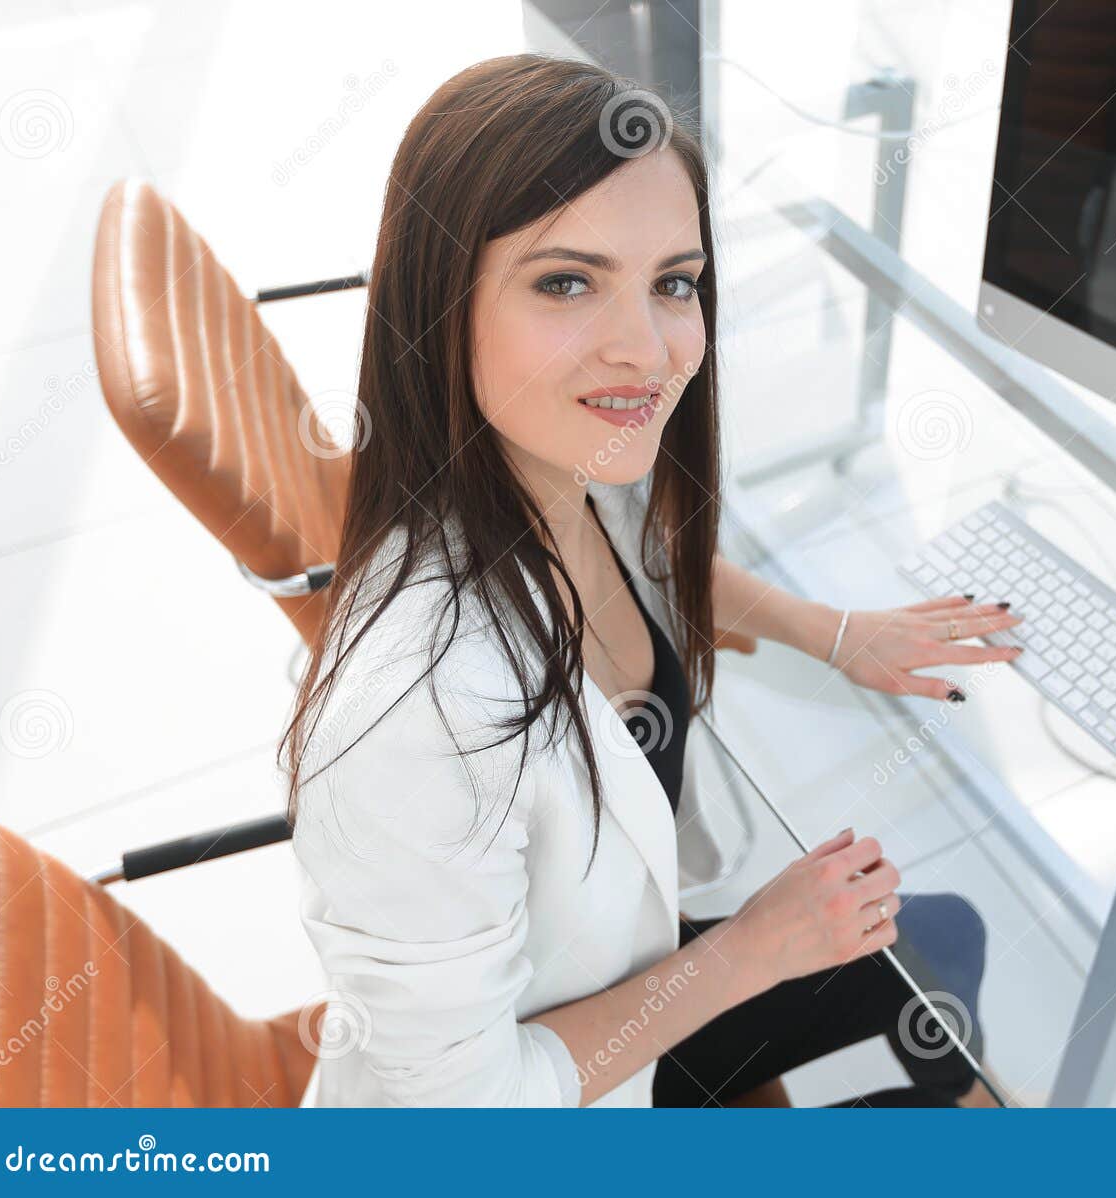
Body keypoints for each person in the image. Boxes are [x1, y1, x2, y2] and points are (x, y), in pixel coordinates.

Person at [281, 53, 1017, 1108]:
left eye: (674, 281)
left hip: (617, 985)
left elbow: (654, 562)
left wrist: (834, 631)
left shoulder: (553, 468)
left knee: (944, 949)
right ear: (439, 302)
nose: (647, 347)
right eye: (566, 281)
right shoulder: (415, 712)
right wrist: (750, 952)